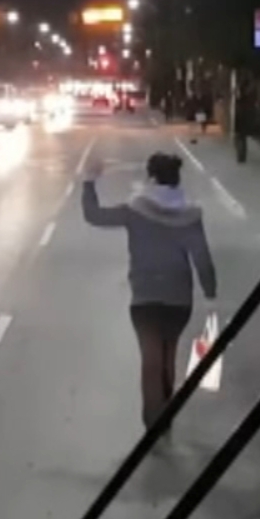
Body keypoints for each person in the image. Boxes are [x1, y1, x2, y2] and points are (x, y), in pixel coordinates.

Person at [81, 152, 218, 435]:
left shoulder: (135, 210)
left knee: (151, 359)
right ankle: (165, 413)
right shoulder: (190, 215)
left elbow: (94, 216)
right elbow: (202, 257)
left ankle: (153, 423)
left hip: (144, 298)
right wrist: (211, 292)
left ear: (151, 177)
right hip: (179, 298)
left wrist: (89, 182)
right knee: (168, 355)